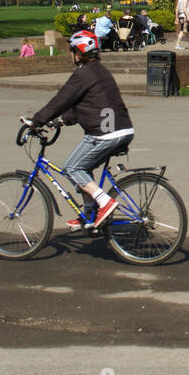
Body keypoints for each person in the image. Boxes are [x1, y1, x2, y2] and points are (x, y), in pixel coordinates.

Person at [21, 30, 133, 232]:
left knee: (72, 168)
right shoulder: (99, 70)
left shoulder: (83, 74)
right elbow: (85, 104)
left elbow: (61, 100)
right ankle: (89, 215)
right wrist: (60, 122)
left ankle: (104, 202)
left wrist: (36, 121)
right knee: (84, 169)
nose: (70, 55)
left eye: (72, 50)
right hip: (122, 129)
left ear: (78, 52)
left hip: (105, 134)